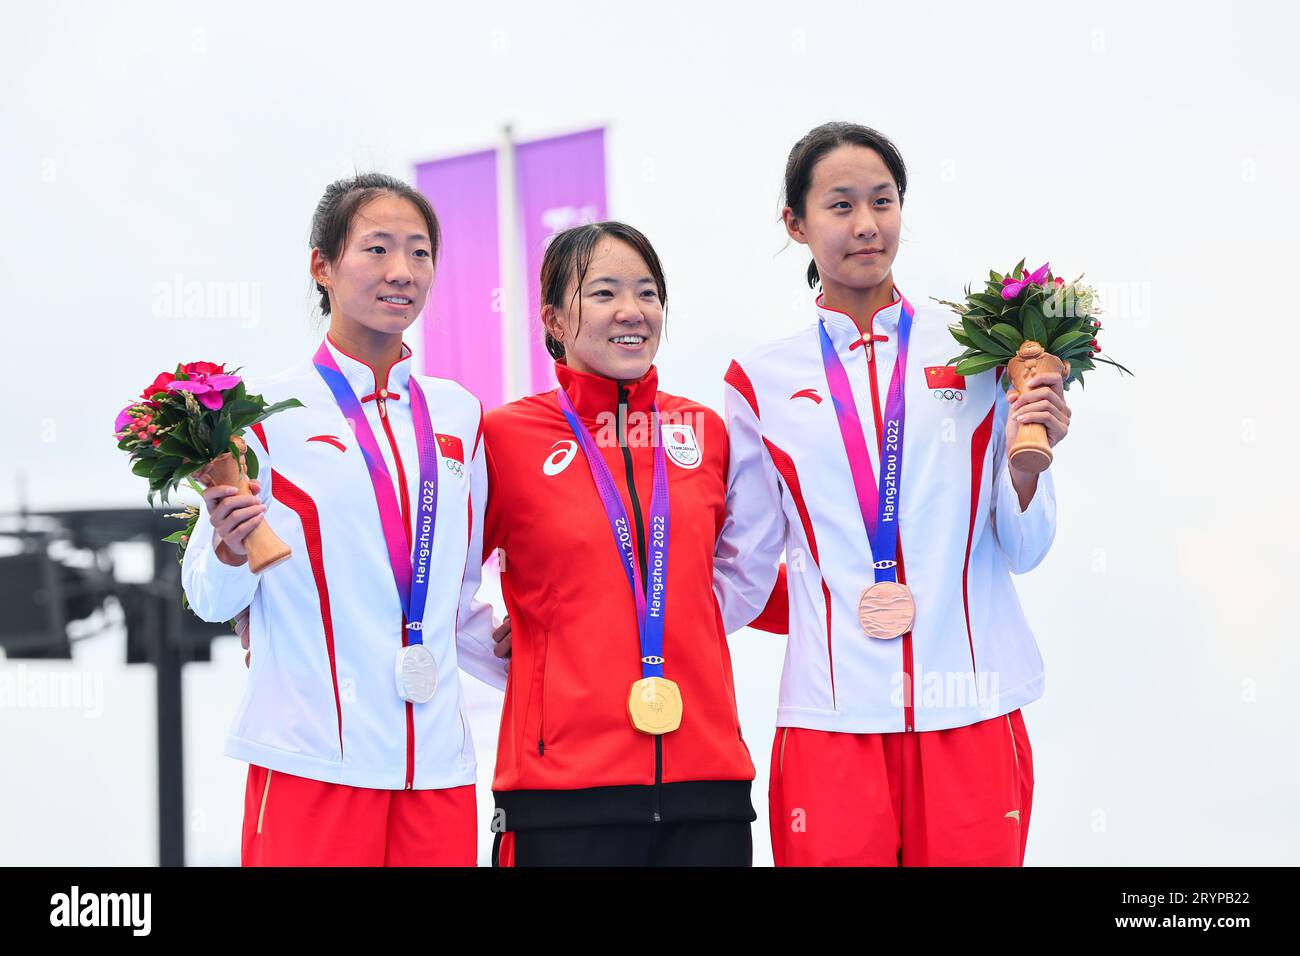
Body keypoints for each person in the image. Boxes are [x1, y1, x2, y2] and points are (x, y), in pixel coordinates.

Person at [724, 122, 1073, 866]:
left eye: (883, 202)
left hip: (974, 711)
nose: (866, 225)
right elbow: (745, 574)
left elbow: (1027, 547)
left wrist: (1029, 468)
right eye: (840, 205)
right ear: (796, 223)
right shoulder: (762, 380)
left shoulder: (981, 353)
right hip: (831, 722)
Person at [182, 172, 509, 866]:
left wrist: (544, 663)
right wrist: (230, 548)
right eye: (378, 249)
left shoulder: (459, 415)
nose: (403, 272)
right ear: (321, 265)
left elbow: (454, 601)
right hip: (311, 766)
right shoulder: (261, 415)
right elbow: (210, 598)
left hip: (437, 771)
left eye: (420, 253)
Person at [482, 221, 783, 867]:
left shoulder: (704, 432)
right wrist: (527, 652)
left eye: (648, 293)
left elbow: (749, 578)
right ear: (555, 320)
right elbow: (433, 575)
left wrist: (858, 602)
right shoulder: (506, 437)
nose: (632, 311)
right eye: (603, 293)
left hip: (708, 788)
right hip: (561, 795)